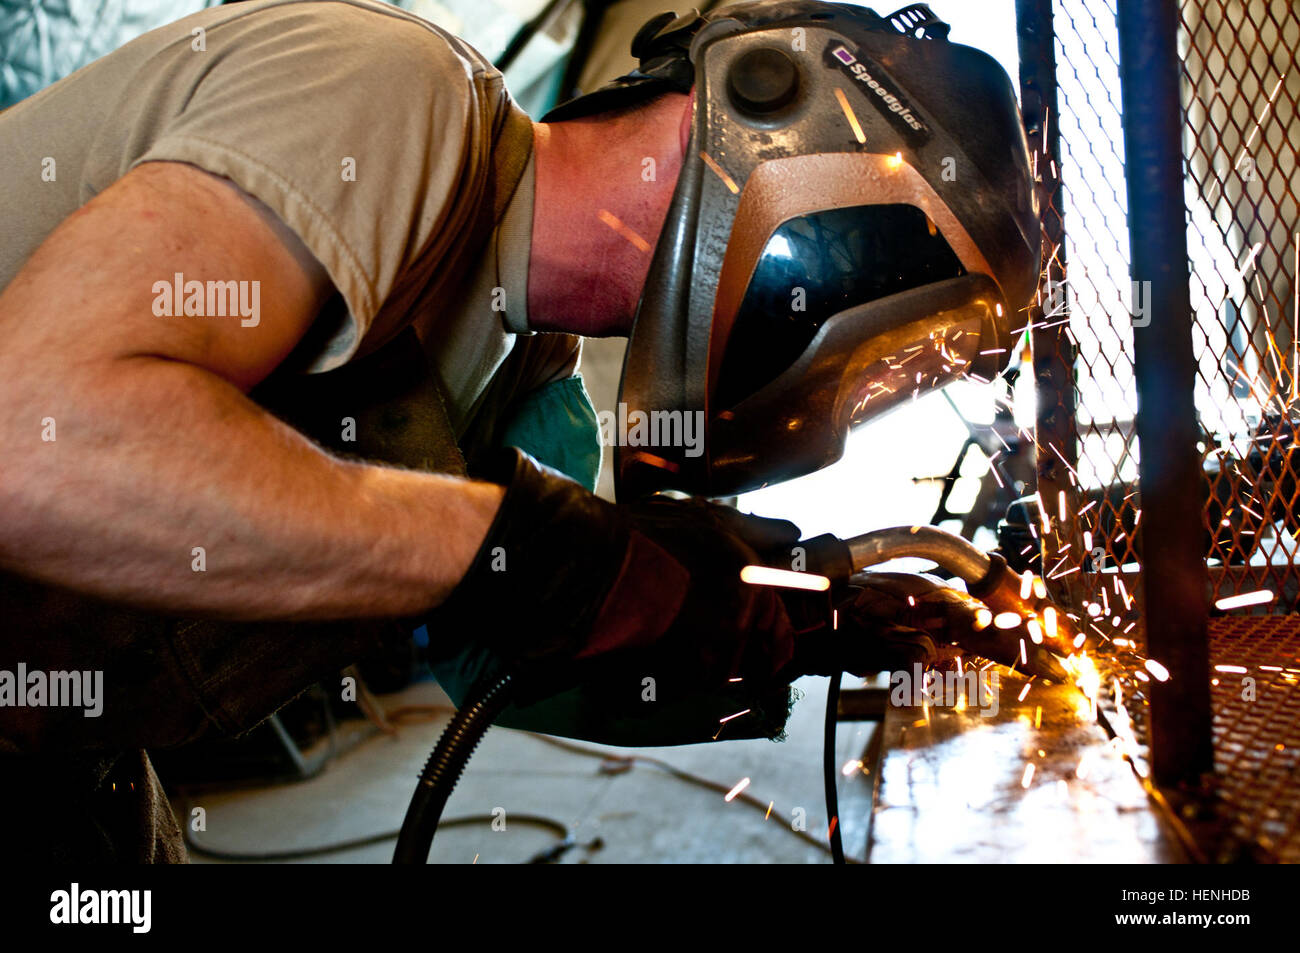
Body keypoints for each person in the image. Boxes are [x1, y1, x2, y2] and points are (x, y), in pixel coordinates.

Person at [0, 0, 1039, 861]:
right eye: (857, 288)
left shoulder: (527, 380)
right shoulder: (393, 92)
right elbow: (40, 436)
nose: (843, 364)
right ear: (743, 129)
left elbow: (507, 652)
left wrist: (798, 620)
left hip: (59, 748)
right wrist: (502, 547)